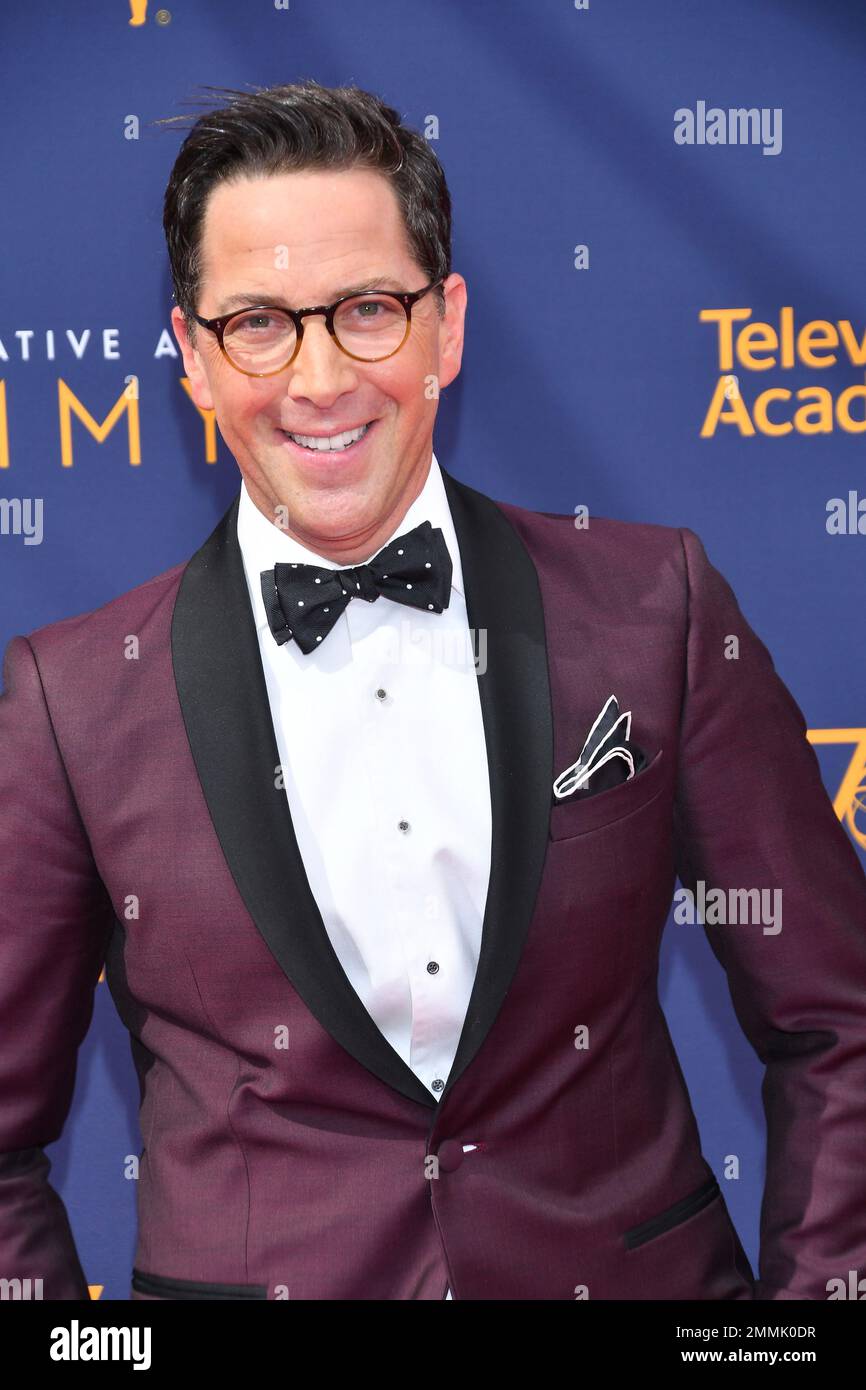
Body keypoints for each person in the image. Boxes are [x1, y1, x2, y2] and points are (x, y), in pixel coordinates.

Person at [1, 79, 865, 1302]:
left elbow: (840, 1019)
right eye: (256, 323)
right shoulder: (70, 698)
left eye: (365, 310)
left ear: (445, 328)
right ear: (191, 357)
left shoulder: (653, 609)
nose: (314, 380)